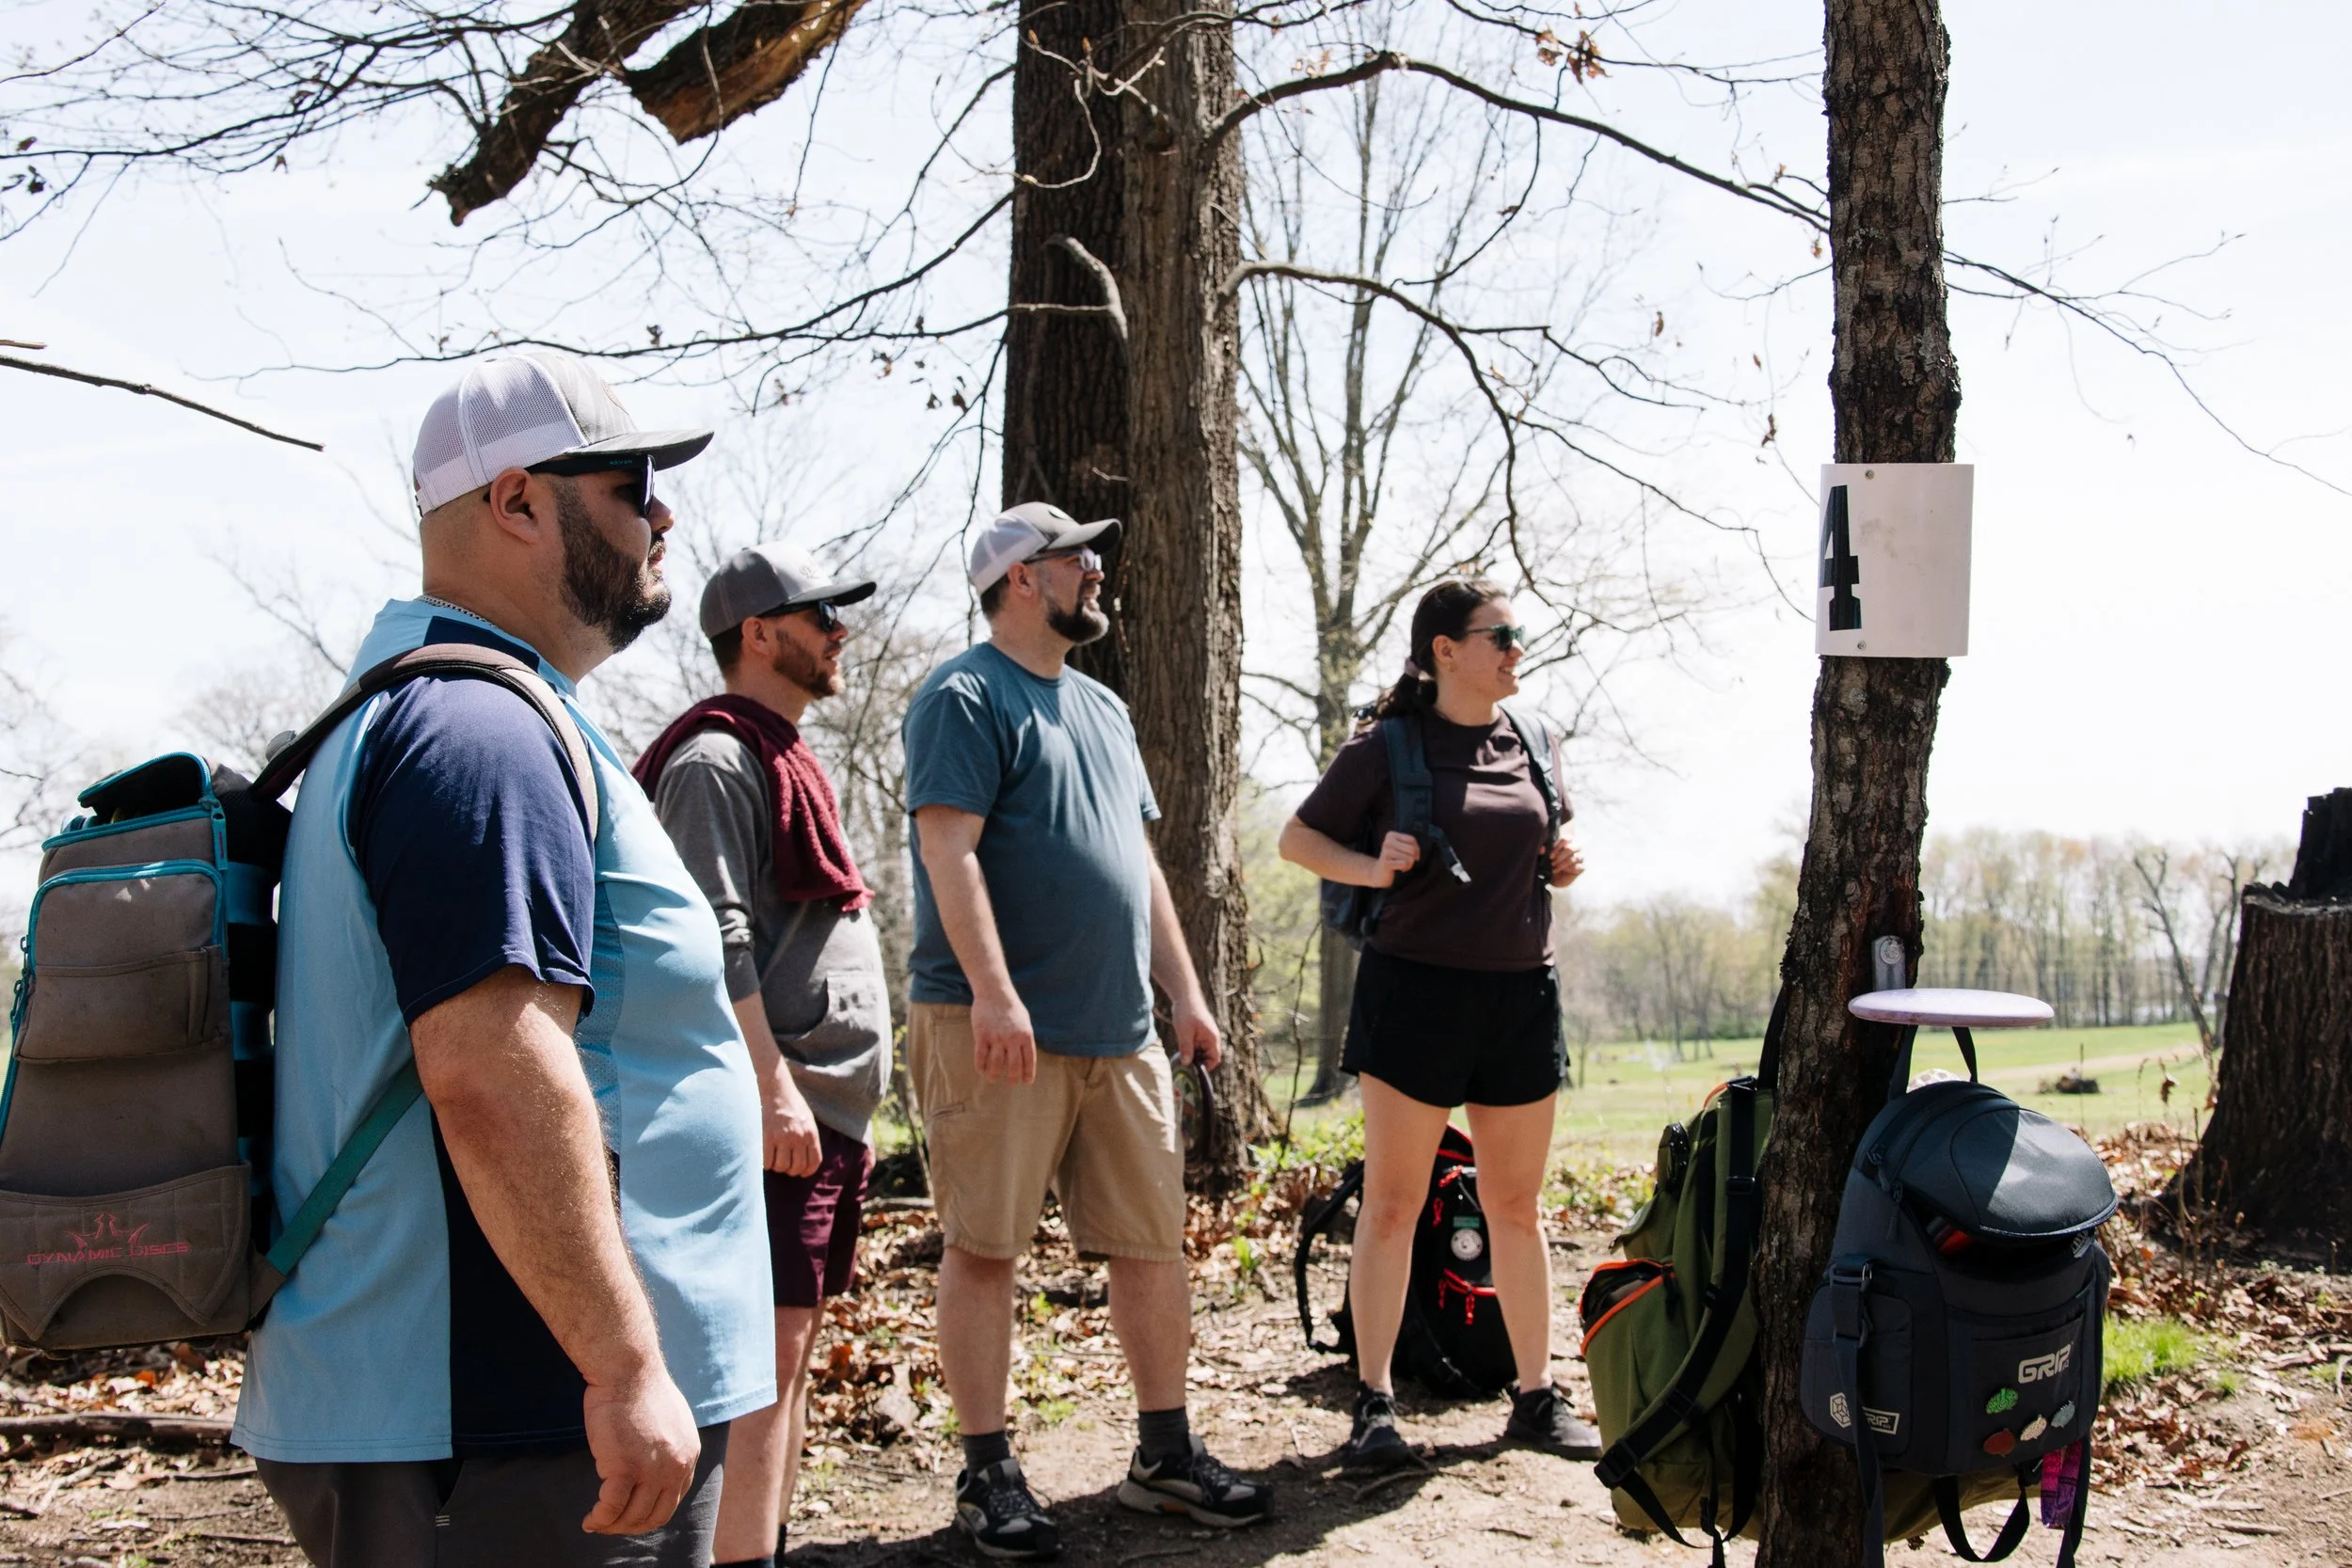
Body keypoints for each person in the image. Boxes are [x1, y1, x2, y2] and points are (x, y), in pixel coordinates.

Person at [233, 353, 773, 1566]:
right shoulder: (479, 734)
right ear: (519, 501)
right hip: (507, 1422)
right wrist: (625, 1362)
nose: (664, 514)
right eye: (634, 484)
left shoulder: (466, 712)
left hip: (508, 1412)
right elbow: (489, 1065)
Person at [900, 501, 1272, 1560]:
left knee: (1151, 1246)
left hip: (1122, 1032)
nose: (1097, 570)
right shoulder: (963, 694)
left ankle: (1163, 1454)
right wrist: (994, 991)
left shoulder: (1102, 708)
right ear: (1024, 577)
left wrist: (1187, 994)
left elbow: (1137, 863)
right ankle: (987, 1472)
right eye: (1078, 557)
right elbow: (949, 852)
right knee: (985, 1246)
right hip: (998, 1026)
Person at [1276, 577, 1598, 1470]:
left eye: (1517, 634)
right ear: (1444, 649)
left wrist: (1561, 863)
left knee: (1516, 1206)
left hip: (1521, 995)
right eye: (1503, 634)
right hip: (1415, 993)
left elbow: (1537, 852)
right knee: (1391, 1204)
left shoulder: (1535, 740)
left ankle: (1535, 1395)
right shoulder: (1385, 746)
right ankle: (1374, 1403)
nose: (1517, 648)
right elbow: (1297, 840)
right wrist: (1373, 869)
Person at [633, 544, 893, 1568]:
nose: (839, 631)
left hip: (826, 1108)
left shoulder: (781, 750)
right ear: (758, 631)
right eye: (821, 613)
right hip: (777, 1111)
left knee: (789, 1353)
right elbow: (714, 933)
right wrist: (771, 1086)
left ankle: (762, 1547)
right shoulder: (714, 759)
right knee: (761, 1363)